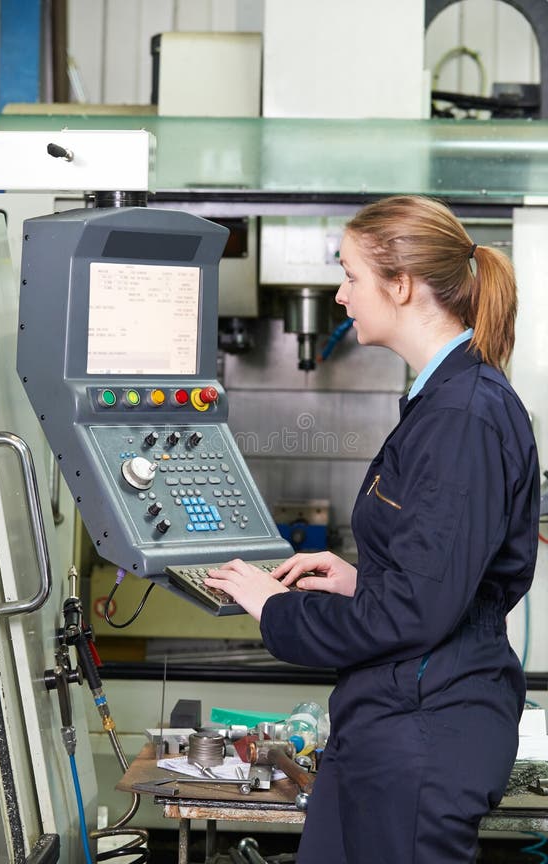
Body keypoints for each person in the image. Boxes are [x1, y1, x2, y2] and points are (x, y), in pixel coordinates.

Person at [205, 195, 540, 864]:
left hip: (423, 733)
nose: (340, 292)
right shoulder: (445, 400)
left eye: (352, 275)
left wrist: (278, 610)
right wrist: (365, 579)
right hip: (396, 720)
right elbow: (438, 580)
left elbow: (413, 614)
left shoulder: (463, 417)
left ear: (404, 284)